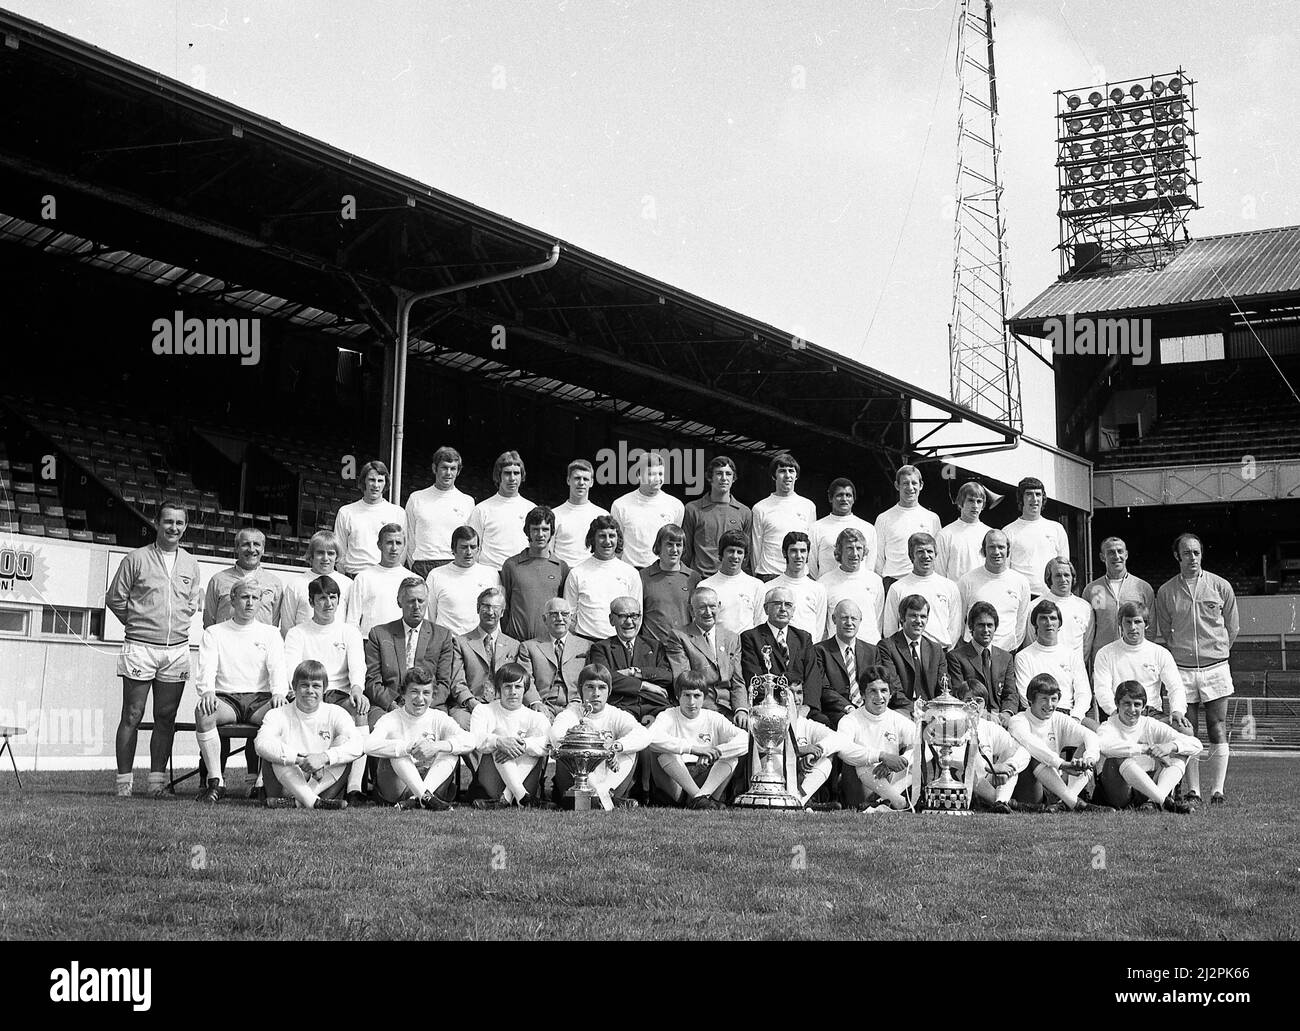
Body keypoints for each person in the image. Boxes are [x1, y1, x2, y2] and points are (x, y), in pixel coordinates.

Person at [105, 500, 204, 798]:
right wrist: (137, 624)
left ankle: (156, 783)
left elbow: (188, 604)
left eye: (179, 523)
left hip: (176, 649)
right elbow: (115, 599)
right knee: (132, 715)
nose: (174, 527)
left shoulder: (190, 563)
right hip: (140, 647)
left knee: (165, 717)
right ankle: (124, 783)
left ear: (185, 526)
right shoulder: (135, 559)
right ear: (157, 523)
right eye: (168, 521)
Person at [1154, 533, 1239, 805]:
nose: (1192, 558)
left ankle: (1217, 790)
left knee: (1217, 727)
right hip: (1182, 670)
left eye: (1197, 552)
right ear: (1177, 556)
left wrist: (1215, 651)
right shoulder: (1166, 591)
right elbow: (1166, 631)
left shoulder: (1220, 586)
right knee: (1186, 729)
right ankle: (1194, 790)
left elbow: (1232, 627)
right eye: (1187, 553)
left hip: (1215, 667)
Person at [193, 578, 288, 803]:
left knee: (284, 714)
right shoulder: (214, 632)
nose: (250, 603)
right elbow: (207, 666)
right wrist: (207, 691)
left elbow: (277, 667)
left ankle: (262, 783)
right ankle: (216, 782)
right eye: (245, 597)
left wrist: (279, 693)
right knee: (203, 712)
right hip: (227, 699)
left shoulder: (271, 633)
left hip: (260, 699)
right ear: (233, 600)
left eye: (255, 598)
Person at [283, 575, 371, 803]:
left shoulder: (349, 631)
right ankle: (283, 783)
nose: (328, 603)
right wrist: (297, 690)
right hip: (309, 693)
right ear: (312, 602)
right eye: (322, 598)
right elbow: (292, 668)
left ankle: (354, 787)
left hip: (339, 694)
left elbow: (357, 666)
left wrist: (357, 689)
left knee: (360, 711)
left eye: (333, 597)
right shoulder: (297, 632)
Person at [255, 659, 360, 810]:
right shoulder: (277, 714)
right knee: (275, 748)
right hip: (285, 782)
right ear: (294, 686)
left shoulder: (336, 713)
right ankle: (313, 802)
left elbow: (358, 745)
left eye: (316, 685)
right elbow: (261, 744)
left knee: (345, 743)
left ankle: (299, 801)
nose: (310, 690)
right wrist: (298, 759)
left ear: (325, 688)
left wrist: (324, 758)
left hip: (321, 783)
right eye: (304, 685)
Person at [365, 665, 471, 809]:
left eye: (426, 693)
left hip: (431, 782)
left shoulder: (439, 717)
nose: (420, 699)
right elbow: (368, 746)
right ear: (403, 694)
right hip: (397, 786)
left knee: (451, 750)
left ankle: (419, 798)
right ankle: (425, 797)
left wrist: (436, 746)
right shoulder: (390, 718)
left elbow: (470, 741)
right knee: (398, 752)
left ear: (433, 695)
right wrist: (407, 748)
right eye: (414, 692)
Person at [550, 663, 652, 809]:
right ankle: (604, 801)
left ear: (609, 691)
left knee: (630, 748)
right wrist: (602, 751)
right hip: (577, 781)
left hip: (609, 780)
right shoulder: (569, 714)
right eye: (590, 687)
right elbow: (556, 736)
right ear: (580, 690)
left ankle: (599, 798)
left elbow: (644, 735)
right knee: (571, 749)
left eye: (602, 687)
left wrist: (616, 747)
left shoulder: (616, 714)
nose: (596, 693)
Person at [1094, 680, 1201, 813]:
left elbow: (1196, 744)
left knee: (1181, 751)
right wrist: (1145, 749)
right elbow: (1102, 745)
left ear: (1144, 707)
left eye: (1137, 705)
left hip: (1147, 787)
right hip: (1119, 790)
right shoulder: (1108, 726)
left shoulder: (1150, 724)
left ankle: (1153, 802)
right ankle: (1164, 801)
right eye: (1127, 703)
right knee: (1117, 757)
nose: (1132, 710)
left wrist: (1171, 746)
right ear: (1117, 704)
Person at [648, 670, 750, 808]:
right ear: (678, 696)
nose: (691, 702)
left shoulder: (713, 717)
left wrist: (715, 753)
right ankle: (699, 799)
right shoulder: (668, 715)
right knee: (663, 751)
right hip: (676, 778)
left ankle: (701, 799)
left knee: (732, 756)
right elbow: (651, 738)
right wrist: (693, 749)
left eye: (697, 696)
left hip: (706, 777)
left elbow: (745, 740)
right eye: (687, 695)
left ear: (704, 697)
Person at [364, 577, 460, 718]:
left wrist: (422, 705)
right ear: (399, 602)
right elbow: (372, 681)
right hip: (388, 706)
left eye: (421, 601)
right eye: (410, 601)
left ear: (427, 602)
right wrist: (392, 704)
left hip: (428, 705)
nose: (416, 606)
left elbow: (444, 684)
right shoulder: (379, 634)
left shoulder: (442, 636)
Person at [1007, 673, 1102, 812]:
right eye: (1044, 699)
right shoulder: (1017, 720)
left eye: (1054, 699)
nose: (1050, 705)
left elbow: (1090, 735)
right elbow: (1033, 745)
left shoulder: (1059, 718)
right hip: (1030, 788)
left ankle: (1062, 803)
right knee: (1032, 754)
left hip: (1057, 785)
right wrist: (1061, 764)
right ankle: (1074, 803)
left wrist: (1090, 758)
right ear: (1030, 700)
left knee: (1086, 747)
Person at [1092, 602, 1190, 728]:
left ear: (1146, 624)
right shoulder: (1105, 653)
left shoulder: (1160, 653)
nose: (1133, 627)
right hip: (1119, 712)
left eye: (1137, 622)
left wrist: (1177, 710)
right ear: (1120, 624)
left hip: (1151, 714)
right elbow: (1102, 689)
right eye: (1128, 622)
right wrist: (1115, 712)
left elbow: (1175, 686)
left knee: (1185, 731)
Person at [469, 663, 554, 808]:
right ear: (499, 689)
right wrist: (500, 742)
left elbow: (548, 745)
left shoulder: (536, 717)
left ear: (525, 689)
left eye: (518, 687)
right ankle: (521, 796)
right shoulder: (483, 711)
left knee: (534, 737)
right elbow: (476, 740)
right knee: (499, 734)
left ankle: (507, 798)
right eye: (508, 686)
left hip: (526, 779)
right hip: (492, 779)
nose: (513, 691)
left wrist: (523, 745)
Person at [836, 668, 918, 811]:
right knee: (862, 762)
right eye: (873, 691)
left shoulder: (897, 719)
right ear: (862, 695)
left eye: (884, 690)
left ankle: (883, 800)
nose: (879, 697)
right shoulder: (849, 720)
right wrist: (882, 756)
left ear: (890, 694)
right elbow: (843, 750)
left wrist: (900, 761)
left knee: (917, 759)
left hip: (889, 779)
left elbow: (922, 747)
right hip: (862, 781)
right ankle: (897, 802)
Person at [662, 587, 747, 721]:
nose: (708, 612)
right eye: (702, 607)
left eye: (712, 606)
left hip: (729, 710)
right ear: (691, 610)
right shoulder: (679, 636)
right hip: (700, 710)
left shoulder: (732, 638)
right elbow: (684, 680)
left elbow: (737, 680)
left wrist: (741, 709)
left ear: (719, 607)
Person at [740, 586, 821, 726]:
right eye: (777, 604)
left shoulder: (803, 637)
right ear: (766, 609)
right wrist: (780, 706)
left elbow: (813, 675)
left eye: (788, 605)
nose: (783, 609)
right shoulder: (751, 637)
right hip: (768, 707)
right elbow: (754, 678)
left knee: (823, 722)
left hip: (801, 707)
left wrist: (806, 707)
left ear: (793, 611)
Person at [589, 596, 675, 725]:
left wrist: (633, 672)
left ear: (640, 618)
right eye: (623, 616)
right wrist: (644, 685)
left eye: (634, 616)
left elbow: (667, 676)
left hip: (656, 706)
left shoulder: (655, 646)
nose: (629, 622)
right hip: (621, 707)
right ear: (612, 619)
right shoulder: (600, 648)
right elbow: (604, 678)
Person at [951, 680, 1029, 814]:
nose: (974, 704)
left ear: (985, 705)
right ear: (960, 703)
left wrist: (1010, 767)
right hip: (966, 780)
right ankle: (1003, 801)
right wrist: (992, 767)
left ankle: (1000, 802)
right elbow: (955, 759)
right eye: (968, 700)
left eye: (979, 700)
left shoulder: (989, 727)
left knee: (1016, 752)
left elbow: (1020, 750)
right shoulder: (952, 726)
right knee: (970, 772)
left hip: (990, 777)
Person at [450, 586, 522, 729]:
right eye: (486, 606)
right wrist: (472, 703)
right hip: (469, 707)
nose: (490, 612)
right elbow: (457, 681)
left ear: (502, 612)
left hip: (503, 706)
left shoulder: (514, 645)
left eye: (495, 607)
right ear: (478, 609)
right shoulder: (460, 642)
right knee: (464, 726)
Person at [812, 599, 892, 727]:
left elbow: (878, 683)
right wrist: (848, 708)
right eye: (844, 618)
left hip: (869, 709)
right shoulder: (820, 651)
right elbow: (823, 688)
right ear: (834, 619)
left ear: (860, 621)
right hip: (836, 713)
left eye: (853, 618)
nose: (849, 623)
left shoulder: (872, 651)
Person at [563, 515, 642, 640]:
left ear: (618, 539)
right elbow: (568, 615)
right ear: (592, 539)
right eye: (601, 536)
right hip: (585, 642)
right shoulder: (577, 573)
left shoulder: (631, 573)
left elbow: (637, 616)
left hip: (619, 643)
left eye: (611, 536)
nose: (607, 541)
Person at [1014, 599, 1092, 723]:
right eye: (1043, 618)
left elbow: (1083, 693)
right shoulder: (1023, 657)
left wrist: (1076, 716)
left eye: (1053, 618)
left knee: (1100, 735)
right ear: (1035, 624)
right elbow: (1025, 696)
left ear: (1059, 623)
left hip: (1070, 716)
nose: (1049, 623)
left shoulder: (1072, 655)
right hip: (1038, 717)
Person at [500, 505, 569, 643]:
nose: (540, 534)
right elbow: (503, 607)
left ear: (552, 532)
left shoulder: (561, 567)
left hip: (548, 644)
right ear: (528, 532)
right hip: (516, 642)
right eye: (535, 529)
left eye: (545, 529)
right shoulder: (511, 565)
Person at [1082, 536, 1156, 665]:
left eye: (1120, 551)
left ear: (1126, 555)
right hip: (1104, 657)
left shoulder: (1142, 587)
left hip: (1135, 656)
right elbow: (1087, 629)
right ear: (1102, 557)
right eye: (1110, 552)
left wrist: (1143, 652)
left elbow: (1151, 625)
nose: (1116, 556)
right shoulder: (1093, 589)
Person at [404, 446, 475, 579]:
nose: (448, 473)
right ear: (434, 468)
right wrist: (413, 563)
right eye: (444, 468)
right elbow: (409, 535)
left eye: (453, 468)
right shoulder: (416, 498)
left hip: (454, 564)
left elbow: (471, 539)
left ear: (458, 471)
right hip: (422, 565)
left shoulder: (467, 501)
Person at [881, 533, 962, 648]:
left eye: (929, 551)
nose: (925, 556)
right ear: (911, 556)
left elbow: (955, 627)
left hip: (941, 653)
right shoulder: (897, 588)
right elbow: (890, 627)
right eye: (920, 552)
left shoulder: (949, 586)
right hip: (907, 652)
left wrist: (946, 652)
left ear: (935, 554)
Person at [956, 529, 1030, 653]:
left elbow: (1021, 624)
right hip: (972, 653)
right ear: (984, 550)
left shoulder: (1021, 582)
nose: (997, 552)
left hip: (1007, 653)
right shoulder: (967, 580)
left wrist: (1012, 647)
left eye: (1001, 547)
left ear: (1008, 551)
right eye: (991, 547)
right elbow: (959, 621)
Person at [946, 602, 1019, 724]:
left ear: (995, 627)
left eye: (990, 625)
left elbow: (1010, 693)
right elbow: (959, 693)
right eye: (981, 625)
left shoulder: (1006, 658)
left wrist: (1006, 714)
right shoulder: (956, 657)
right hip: (971, 717)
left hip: (1001, 718)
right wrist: (985, 715)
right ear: (971, 627)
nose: (986, 630)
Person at [610, 452, 685, 568]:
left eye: (660, 474)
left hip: (661, 572)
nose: (657, 479)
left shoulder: (676, 506)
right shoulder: (620, 505)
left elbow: (675, 540)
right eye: (651, 474)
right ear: (639, 475)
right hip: (630, 570)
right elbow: (616, 545)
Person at [749, 452, 817, 579]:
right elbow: (756, 547)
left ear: (796, 476)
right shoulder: (760, 508)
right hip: (769, 573)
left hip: (799, 575)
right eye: (782, 471)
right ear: (774, 476)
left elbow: (810, 545)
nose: (787, 475)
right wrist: (756, 577)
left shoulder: (808, 506)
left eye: (791, 471)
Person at [519, 596, 590, 717]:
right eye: (554, 614)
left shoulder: (586, 646)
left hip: (575, 705)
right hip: (543, 706)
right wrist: (535, 702)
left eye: (565, 614)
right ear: (544, 619)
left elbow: (590, 678)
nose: (560, 618)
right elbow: (525, 679)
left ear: (571, 618)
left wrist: (578, 701)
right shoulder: (529, 647)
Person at [681, 456, 751, 577]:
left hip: (731, 579)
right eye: (719, 473)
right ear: (709, 477)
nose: (724, 478)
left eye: (728, 474)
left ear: (734, 478)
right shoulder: (692, 509)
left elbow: (746, 553)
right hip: (700, 578)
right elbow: (686, 551)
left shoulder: (744, 512)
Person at [333, 460, 406, 575]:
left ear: (385, 483)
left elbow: (402, 551)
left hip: (385, 576)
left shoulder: (397, 512)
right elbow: (339, 550)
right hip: (354, 576)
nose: (376, 485)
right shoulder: (346, 512)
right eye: (372, 480)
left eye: (380, 480)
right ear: (364, 482)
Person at [426, 526, 501, 636]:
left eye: (473, 547)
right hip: (449, 645)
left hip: (481, 644)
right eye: (464, 547)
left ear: (478, 549)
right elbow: (429, 616)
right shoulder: (436, 575)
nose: (469, 552)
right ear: (453, 549)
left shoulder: (491, 574)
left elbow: (497, 613)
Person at [873, 465, 940, 589]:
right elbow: (878, 558)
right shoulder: (883, 518)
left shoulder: (932, 518)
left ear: (921, 485)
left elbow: (937, 555)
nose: (910, 487)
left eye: (914, 483)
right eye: (905, 483)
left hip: (923, 581)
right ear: (897, 485)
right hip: (893, 581)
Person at [202, 527, 283, 628]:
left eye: (256, 544)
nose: (252, 549)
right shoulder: (218, 580)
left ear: (263, 549)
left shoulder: (274, 583)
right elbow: (209, 621)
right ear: (237, 547)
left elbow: (274, 623)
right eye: (246, 544)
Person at [466, 450, 534, 570]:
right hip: (490, 573)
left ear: (521, 476)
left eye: (516, 473)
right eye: (507, 473)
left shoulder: (531, 509)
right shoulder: (482, 509)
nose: (512, 478)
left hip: (522, 573)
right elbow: (473, 548)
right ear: (499, 476)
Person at [876, 594, 944, 716]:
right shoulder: (887, 646)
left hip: (932, 711)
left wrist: (933, 712)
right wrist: (918, 711)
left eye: (923, 616)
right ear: (902, 618)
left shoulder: (936, 649)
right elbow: (893, 689)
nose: (918, 621)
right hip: (901, 710)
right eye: (913, 615)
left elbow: (943, 689)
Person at [1002, 476, 1069, 597]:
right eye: (1029, 494)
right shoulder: (1008, 531)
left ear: (1043, 498)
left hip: (1052, 595)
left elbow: (1064, 568)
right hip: (1021, 596)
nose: (1034, 499)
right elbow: (1004, 570)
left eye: (1038, 494)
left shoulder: (1056, 528)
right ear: (1021, 499)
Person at [817, 528, 885, 644]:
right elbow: (821, 625)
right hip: (837, 651)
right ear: (839, 551)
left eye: (859, 548)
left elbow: (878, 619)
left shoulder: (875, 581)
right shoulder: (824, 582)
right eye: (849, 548)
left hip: (870, 649)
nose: (854, 554)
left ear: (864, 551)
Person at [639, 523, 701, 646]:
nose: (674, 550)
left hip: (684, 648)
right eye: (669, 544)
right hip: (652, 649)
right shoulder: (643, 576)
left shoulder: (693, 578)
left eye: (679, 545)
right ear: (658, 546)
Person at [279, 530, 352, 634]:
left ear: (337, 556)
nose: (325, 558)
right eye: (320, 552)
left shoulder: (348, 584)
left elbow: (351, 625)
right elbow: (287, 626)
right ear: (311, 555)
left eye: (330, 553)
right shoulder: (295, 584)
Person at [757, 531, 827, 638]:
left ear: (808, 554)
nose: (798, 556)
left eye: (803, 551)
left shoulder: (818, 589)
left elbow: (819, 628)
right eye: (794, 551)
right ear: (785, 553)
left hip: (808, 651)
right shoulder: (769, 587)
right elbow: (762, 624)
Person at [1025, 558, 1094, 666]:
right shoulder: (1034, 606)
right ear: (1049, 579)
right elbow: (1030, 641)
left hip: (1074, 670)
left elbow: (1087, 645)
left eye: (1066, 575)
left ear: (1072, 578)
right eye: (1058, 575)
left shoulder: (1085, 607)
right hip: (1043, 668)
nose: (1063, 579)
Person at [345, 524, 412, 634]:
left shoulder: (412, 579)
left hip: (401, 642)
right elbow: (352, 620)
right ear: (379, 545)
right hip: (369, 641)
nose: (394, 548)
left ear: (404, 545)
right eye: (389, 542)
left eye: (398, 543)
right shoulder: (363, 578)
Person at [698, 529, 764, 636]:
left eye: (740, 552)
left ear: (745, 556)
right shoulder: (705, 586)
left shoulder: (756, 585)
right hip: (718, 646)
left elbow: (760, 622)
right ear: (721, 553)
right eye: (730, 551)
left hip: (748, 647)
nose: (735, 556)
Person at [810, 478, 877, 578]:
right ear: (830, 498)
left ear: (853, 499)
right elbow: (811, 565)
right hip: (827, 588)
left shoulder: (868, 528)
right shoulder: (816, 528)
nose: (844, 499)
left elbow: (870, 565)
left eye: (848, 495)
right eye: (839, 495)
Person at [550, 459, 609, 568]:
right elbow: (549, 551)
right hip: (561, 574)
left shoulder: (602, 515)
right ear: (568, 480)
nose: (581, 483)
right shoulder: (554, 515)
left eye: (585, 479)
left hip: (592, 573)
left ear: (591, 482)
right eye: (577, 478)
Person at [935, 481, 991, 583]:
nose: (975, 505)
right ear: (961, 503)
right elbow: (939, 572)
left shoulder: (989, 534)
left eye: (979, 501)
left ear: (983, 505)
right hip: (955, 592)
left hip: (982, 592)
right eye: (970, 500)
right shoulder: (945, 534)